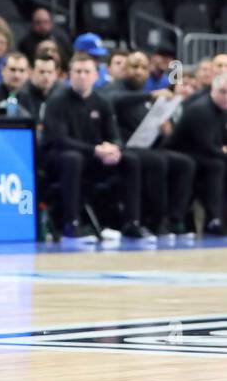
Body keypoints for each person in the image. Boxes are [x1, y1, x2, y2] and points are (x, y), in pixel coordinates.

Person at [42, 52, 152, 243]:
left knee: (131, 159)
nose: (82, 75)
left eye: (87, 71)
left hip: (93, 157)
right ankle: (72, 223)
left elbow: (115, 135)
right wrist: (95, 150)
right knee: (72, 158)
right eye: (78, 71)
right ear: (69, 74)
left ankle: (131, 222)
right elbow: (59, 139)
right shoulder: (57, 101)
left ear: (95, 75)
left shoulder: (102, 102)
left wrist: (115, 148)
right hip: (60, 158)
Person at [100, 50, 195, 239]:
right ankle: (155, 221)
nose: (139, 71)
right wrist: (149, 96)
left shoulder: (144, 97)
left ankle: (175, 219)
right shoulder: (113, 89)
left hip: (145, 148)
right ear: (125, 69)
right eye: (134, 66)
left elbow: (153, 134)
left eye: (144, 67)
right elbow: (112, 100)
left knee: (185, 163)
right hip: (123, 150)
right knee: (157, 161)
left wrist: (165, 131)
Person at [165, 74, 227, 235]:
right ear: (213, 89)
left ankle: (216, 217)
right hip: (181, 153)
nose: (226, 96)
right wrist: (222, 151)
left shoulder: (221, 110)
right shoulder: (201, 109)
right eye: (223, 91)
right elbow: (205, 146)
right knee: (217, 165)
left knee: (218, 164)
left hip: (200, 155)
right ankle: (213, 217)